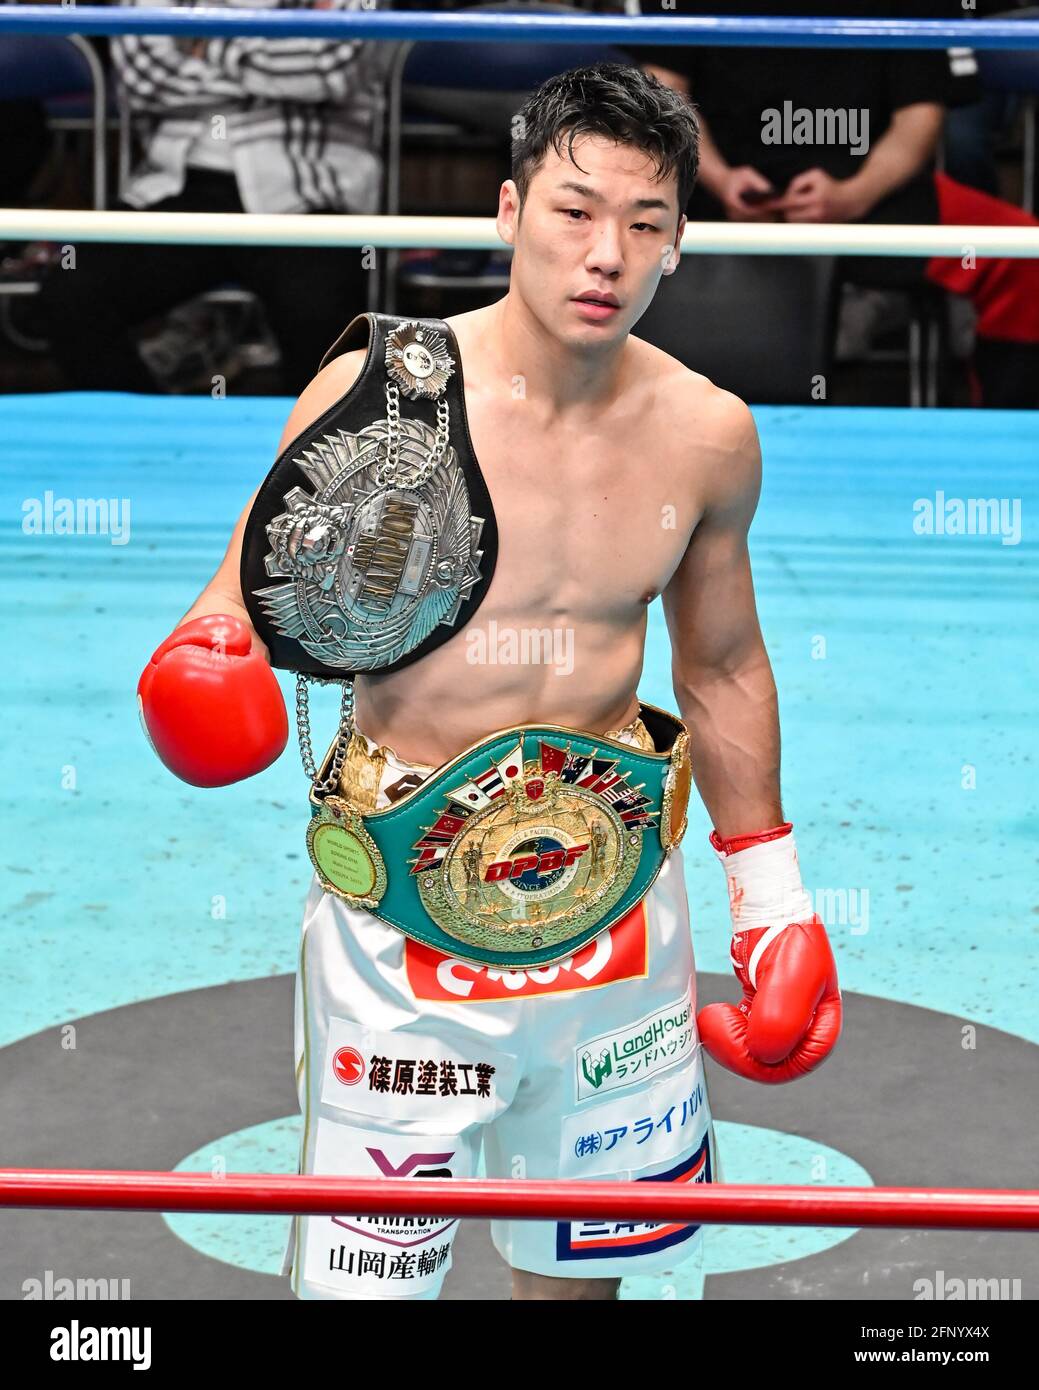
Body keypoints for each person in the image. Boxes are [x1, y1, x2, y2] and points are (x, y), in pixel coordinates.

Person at [138, 62, 842, 1301]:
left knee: (579, 1283)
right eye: (574, 212)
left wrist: (772, 898)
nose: (605, 256)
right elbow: (234, 602)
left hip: (617, 916)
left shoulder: (708, 431)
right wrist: (204, 664)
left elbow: (722, 662)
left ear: (678, 243)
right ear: (508, 210)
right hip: (403, 932)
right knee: (366, 1292)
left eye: (644, 225)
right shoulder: (381, 394)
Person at [626, 0, 1039, 408]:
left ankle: (1010, 439)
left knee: (1025, 255)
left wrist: (854, 195)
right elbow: (664, 89)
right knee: (609, 238)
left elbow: (920, 116)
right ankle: (632, 422)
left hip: (874, 195)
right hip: (712, 193)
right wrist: (718, 178)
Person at [37, 0, 395, 395]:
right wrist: (275, 52)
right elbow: (144, 78)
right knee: (70, 296)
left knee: (323, 322)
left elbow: (330, 66)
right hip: (178, 186)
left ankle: (302, 450)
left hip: (306, 191)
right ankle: (148, 439)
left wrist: (204, 43)